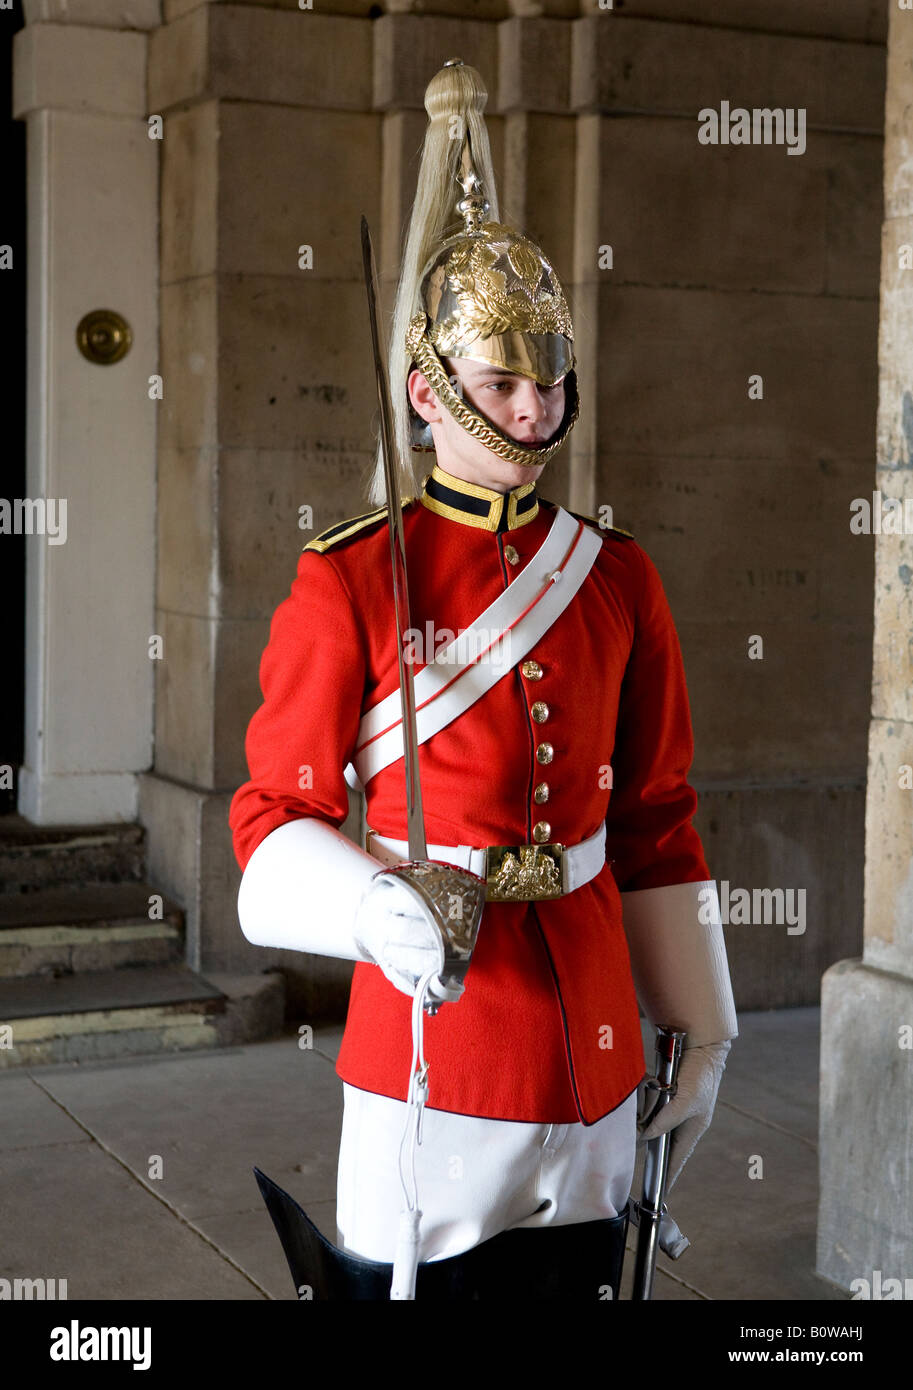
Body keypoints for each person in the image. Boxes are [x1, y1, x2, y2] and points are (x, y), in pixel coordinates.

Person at [229, 59, 737, 1300]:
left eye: (548, 375)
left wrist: (703, 1014)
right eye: (504, 379)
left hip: (600, 1033)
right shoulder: (352, 578)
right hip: (439, 1036)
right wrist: (368, 909)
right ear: (430, 391)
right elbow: (272, 821)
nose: (534, 402)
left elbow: (655, 821)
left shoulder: (614, 576)